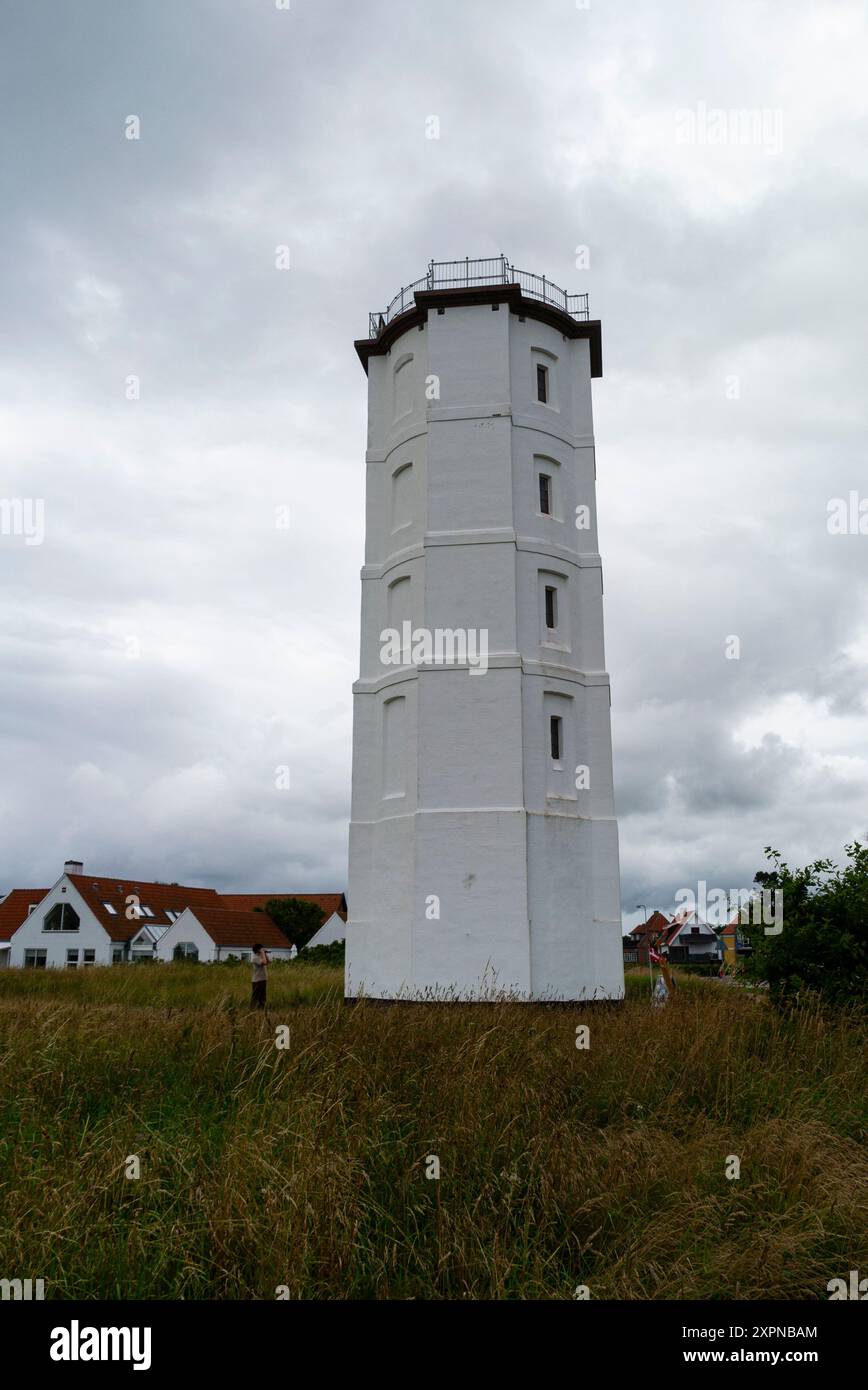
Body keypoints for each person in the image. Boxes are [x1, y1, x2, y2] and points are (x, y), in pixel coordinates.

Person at [250, 944, 269, 1009]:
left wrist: (265, 954)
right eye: (262, 949)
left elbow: (268, 962)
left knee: (262, 996)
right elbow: (264, 962)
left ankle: (261, 1008)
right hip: (257, 980)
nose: (263, 949)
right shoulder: (255, 958)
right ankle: (252, 1008)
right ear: (258, 950)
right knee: (255, 996)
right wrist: (263, 954)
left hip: (263, 979)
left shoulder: (261, 957)